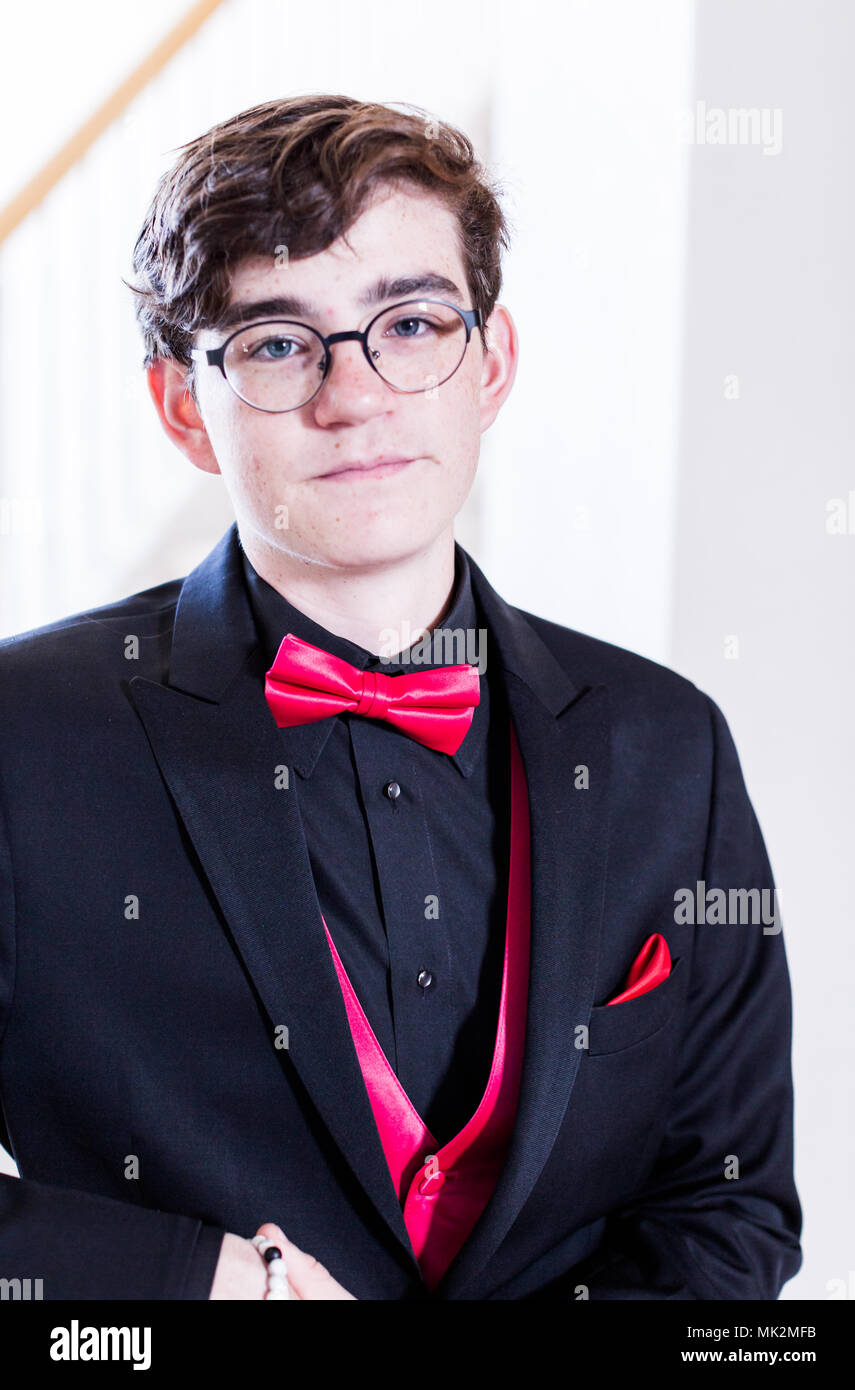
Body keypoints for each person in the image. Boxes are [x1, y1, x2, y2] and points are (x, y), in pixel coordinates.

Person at [0, 93, 802, 1300]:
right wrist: (191, 1282)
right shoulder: (25, 735)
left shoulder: (664, 744)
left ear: (490, 365)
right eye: (276, 343)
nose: (355, 393)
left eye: (411, 324)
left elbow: (728, 1203)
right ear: (183, 409)